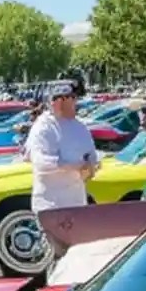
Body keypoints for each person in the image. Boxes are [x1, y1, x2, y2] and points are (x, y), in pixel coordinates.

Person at [22, 81, 97, 215]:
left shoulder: (80, 127)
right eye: (69, 98)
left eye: (74, 97)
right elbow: (40, 161)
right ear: (57, 101)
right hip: (50, 206)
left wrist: (91, 166)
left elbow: (91, 154)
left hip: (77, 203)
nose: (74, 101)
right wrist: (73, 165)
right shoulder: (43, 126)